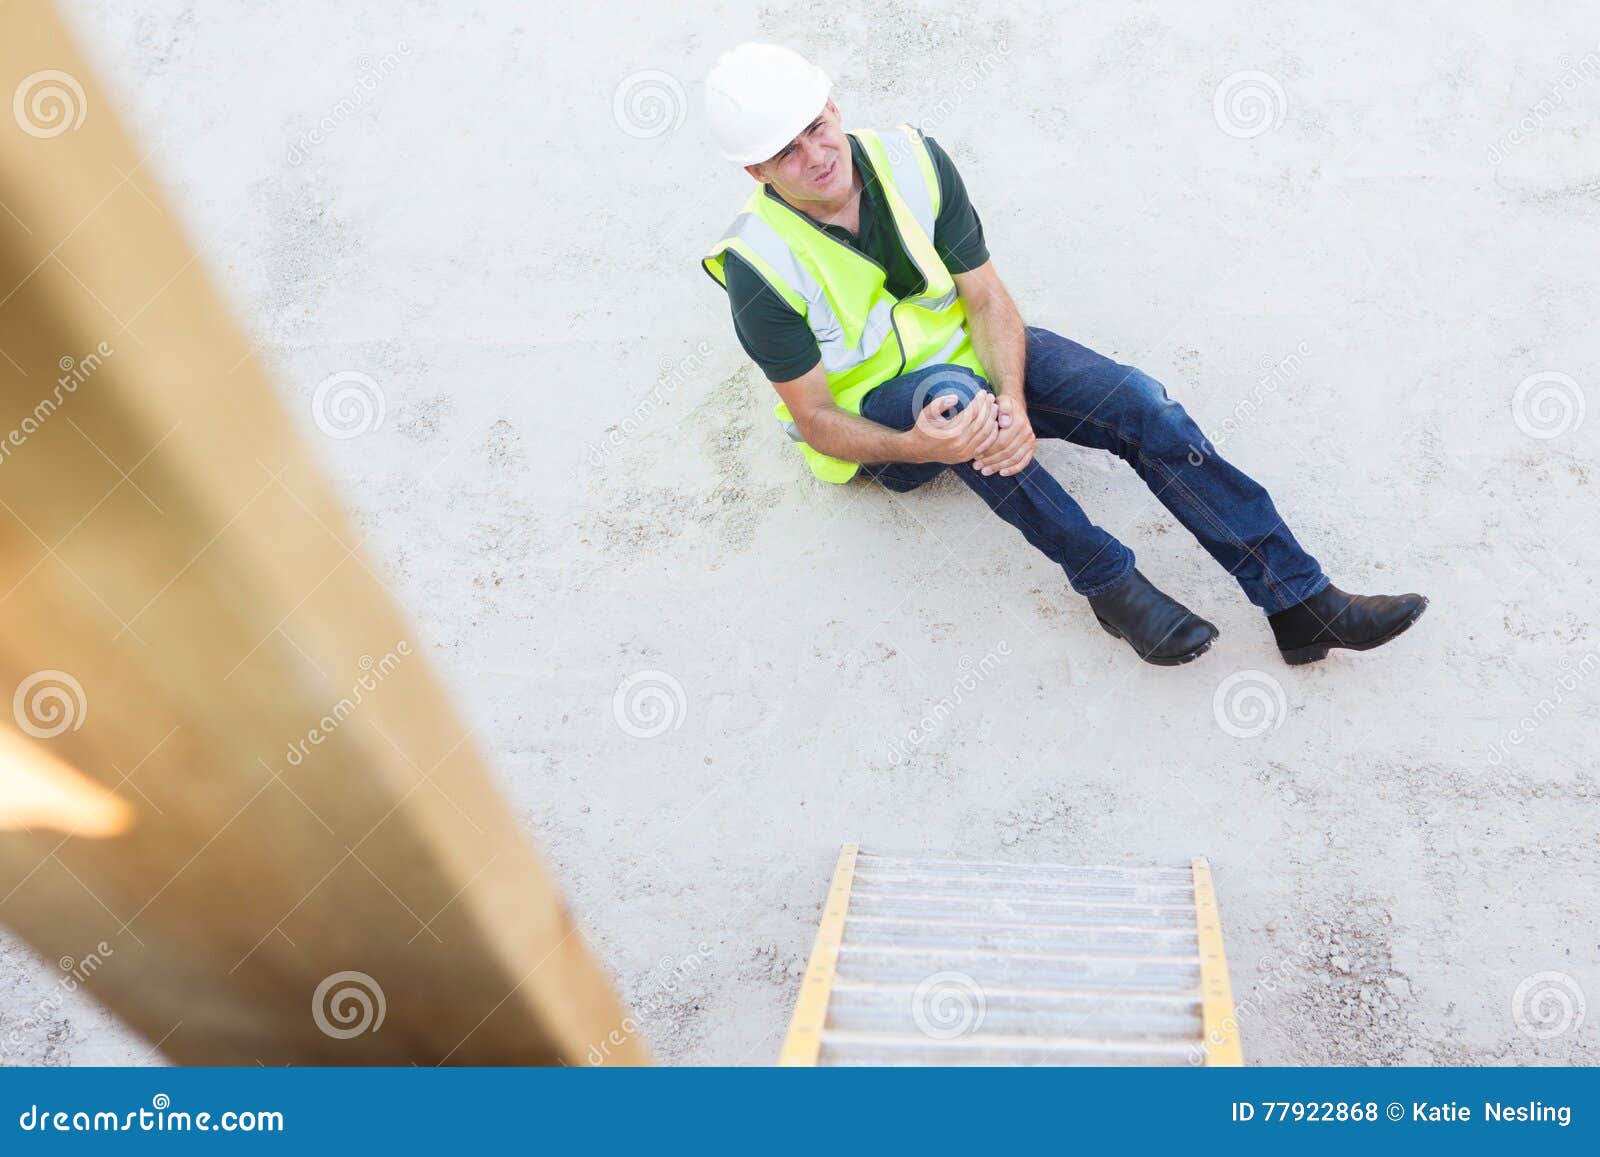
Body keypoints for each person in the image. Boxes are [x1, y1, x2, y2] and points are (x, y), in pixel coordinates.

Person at [700, 43, 1426, 666]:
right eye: (784, 153)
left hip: (976, 362)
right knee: (956, 397)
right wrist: (918, 446)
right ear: (756, 174)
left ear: (832, 103)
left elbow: (984, 298)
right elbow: (819, 416)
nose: (816, 156)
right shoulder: (757, 265)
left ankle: (1299, 601)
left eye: (816, 127)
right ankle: (1109, 583)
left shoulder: (912, 159)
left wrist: (1013, 400)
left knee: (1139, 402)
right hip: (884, 421)